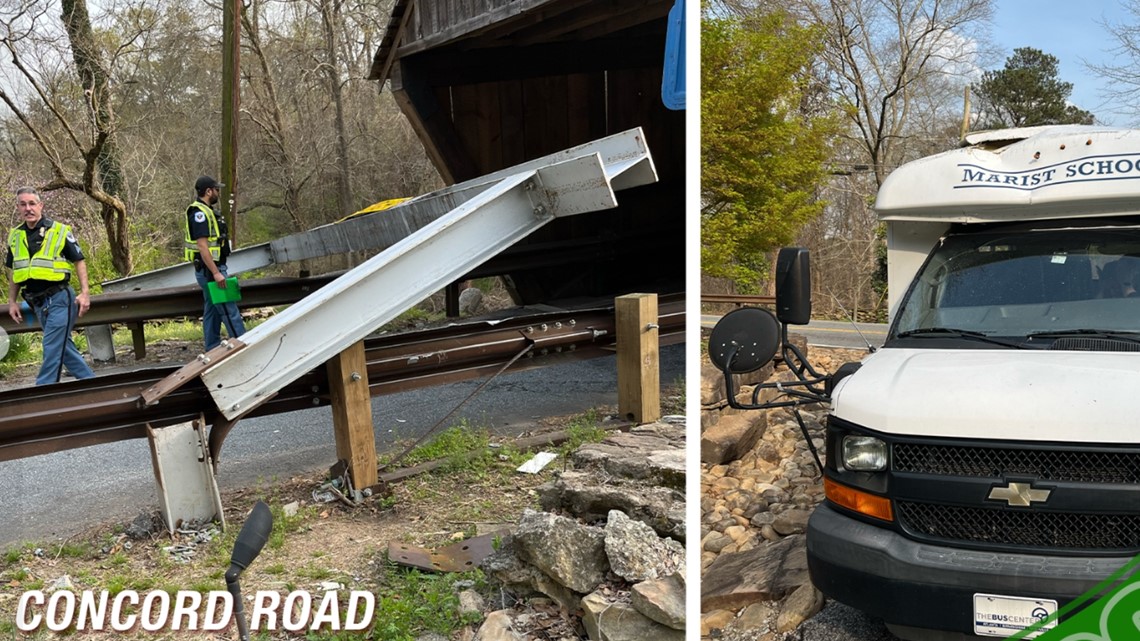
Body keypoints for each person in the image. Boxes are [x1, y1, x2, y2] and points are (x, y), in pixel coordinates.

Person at [5, 187, 96, 385]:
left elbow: (79, 260)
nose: (28, 208)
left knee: (52, 346)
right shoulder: (15, 236)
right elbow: (15, 271)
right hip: (37, 302)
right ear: (18, 207)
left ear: (40, 206)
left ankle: (42, 393)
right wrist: (11, 301)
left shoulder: (59, 230)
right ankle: (93, 386)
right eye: (23, 204)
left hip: (60, 298)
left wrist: (85, 293)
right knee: (64, 349)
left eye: (32, 203)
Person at [185, 175, 245, 351]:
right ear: (208, 191)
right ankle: (243, 344)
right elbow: (203, 247)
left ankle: (211, 347)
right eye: (216, 190)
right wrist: (216, 273)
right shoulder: (199, 214)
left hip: (210, 269)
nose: (218, 193)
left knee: (211, 310)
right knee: (229, 309)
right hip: (211, 270)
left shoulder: (206, 211)